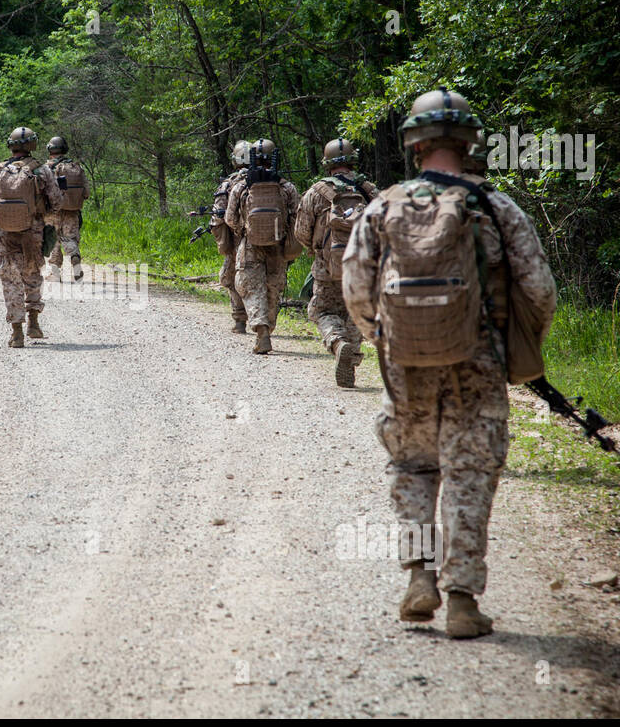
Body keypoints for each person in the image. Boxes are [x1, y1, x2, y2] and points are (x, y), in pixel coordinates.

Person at [342, 88, 557, 638]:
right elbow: (539, 291)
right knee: (469, 472)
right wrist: (512, 343)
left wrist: (384, 338)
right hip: (477, 362)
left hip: (404, 363)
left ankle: (419, 576)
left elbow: (357, 289)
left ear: (413, 144)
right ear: (468, 142)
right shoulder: (496, 208)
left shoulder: (381, 206)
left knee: (413, 466)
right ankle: (462, 601)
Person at [293, 137, 379, 387]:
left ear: (327, 163)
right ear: (353, 160)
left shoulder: (316, 192)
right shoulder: (369, 190)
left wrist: (317, 250)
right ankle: (350, 357)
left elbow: (301, 231)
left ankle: (337, 343)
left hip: (327, 266)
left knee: (322, 311)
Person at [0, 127, 63, 347]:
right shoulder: (41, 170)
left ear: (11, 146)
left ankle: (16, 332)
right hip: (32, 233)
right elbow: (57, 203)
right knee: (32, 274)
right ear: (33, 145)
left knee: (10, 278)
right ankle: (33, 322)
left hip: (6, 234)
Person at [223, 139, 301, 354]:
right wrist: (287, 238)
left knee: (251, 289)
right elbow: (297, 217)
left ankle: (261, 330)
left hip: (250, 245)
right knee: (272, 288)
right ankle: (269, 325)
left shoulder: (241, 186)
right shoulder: (286, 187)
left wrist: (245, 232)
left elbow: (230, 218)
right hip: (278, 246)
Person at [213, 142, 251, 333]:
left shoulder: (229, 184)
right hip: (269, 238)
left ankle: (240, 320)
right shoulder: (270, 181)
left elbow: (220, 213)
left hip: (238, 241)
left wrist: (230, 235)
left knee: (228, 277)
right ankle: (265, 322)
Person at [41, 135, 90, 280]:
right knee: (70, 238)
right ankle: (74, 256)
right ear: (65, 149)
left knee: (54, 240)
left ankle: (55, 274)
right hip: (72, 211)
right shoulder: (76, 167)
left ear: (50, 149)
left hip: (52, 211)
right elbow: (86, 193)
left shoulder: (47, 167)